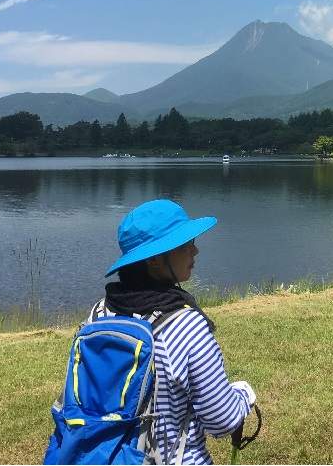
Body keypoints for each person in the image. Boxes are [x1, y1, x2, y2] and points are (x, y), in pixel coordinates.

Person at [90, 198, 256, 465]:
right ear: (155, 260)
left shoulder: (99, 313)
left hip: (110, 456)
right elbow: (222, 421)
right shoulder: (186, 325)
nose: (195, 250)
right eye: (185, 244)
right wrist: (244, 395)